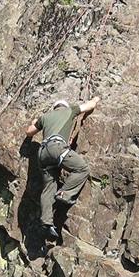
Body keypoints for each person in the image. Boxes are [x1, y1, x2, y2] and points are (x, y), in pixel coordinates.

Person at [25, 96, 101, 239]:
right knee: (82, 169)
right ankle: (64, 194)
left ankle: (46, 221)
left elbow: (29, 132)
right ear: (64, 106)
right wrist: (95, 99)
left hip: (42, 153)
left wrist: (34, 122)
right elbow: (90, 106)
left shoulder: (45, 117)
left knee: (49, 187)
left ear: (55, 107)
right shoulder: (70, 110)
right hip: (57, 147)